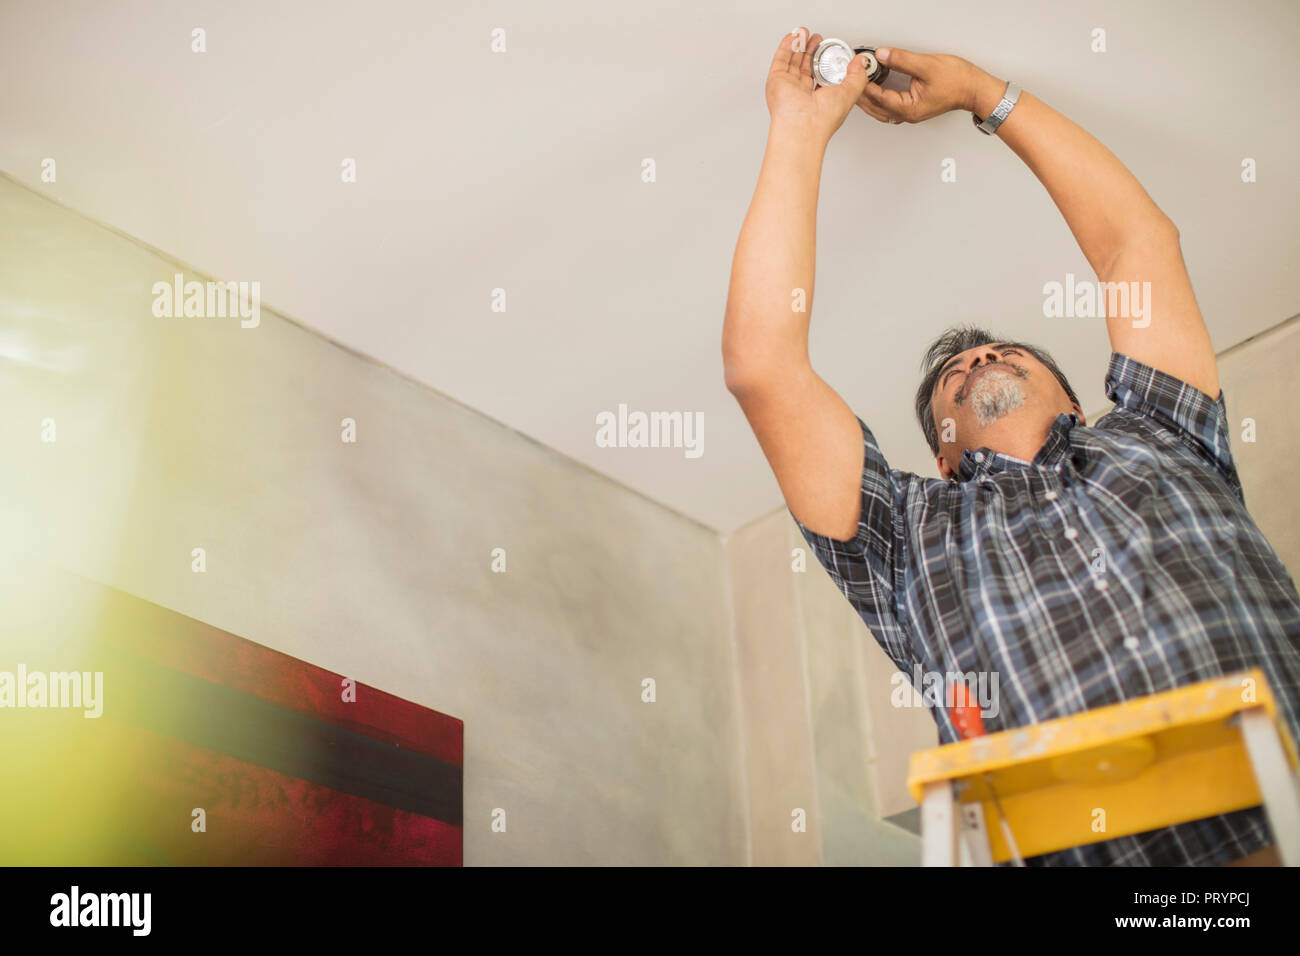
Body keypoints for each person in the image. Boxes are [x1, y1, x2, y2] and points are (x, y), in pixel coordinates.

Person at [722, 28, 1300, 866]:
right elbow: (762, 368)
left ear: (1076, 396)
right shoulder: (904, 535)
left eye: (1004, 352)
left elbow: (1137, 244)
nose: (983, 358)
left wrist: (978, 90)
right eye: (955, 374)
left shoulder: (1163, 427)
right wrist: (800, 128)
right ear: (943, 454)